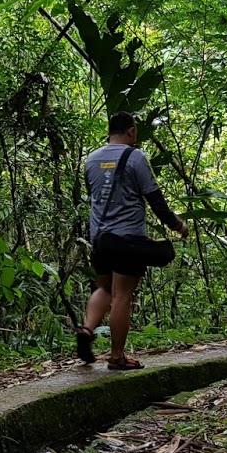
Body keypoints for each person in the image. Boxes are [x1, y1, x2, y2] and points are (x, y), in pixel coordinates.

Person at [76, 112, 187, 369]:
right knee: (122, 295)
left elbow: (94, 195)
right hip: (127, 239)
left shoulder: (91, 159)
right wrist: (177, 225)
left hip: (100, 238)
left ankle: (87, 329)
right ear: (131, 132)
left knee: (103, 288)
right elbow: (155, 199)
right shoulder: (135, 157)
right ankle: (116, 357)